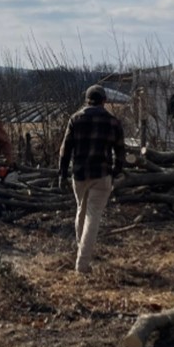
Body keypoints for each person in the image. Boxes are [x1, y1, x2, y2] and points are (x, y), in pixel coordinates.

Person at [58, 85, 126, 274]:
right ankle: (82, 264)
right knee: (92, 217)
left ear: (87, 100)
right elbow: (120, 150)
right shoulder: (113, 121)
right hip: (102, 174)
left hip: (79, 174)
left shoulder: (75, 118)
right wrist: (116, 171)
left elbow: (65, 149)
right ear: (104, 100)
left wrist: (62, 173)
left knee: (81, 211)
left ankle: (82, 252)